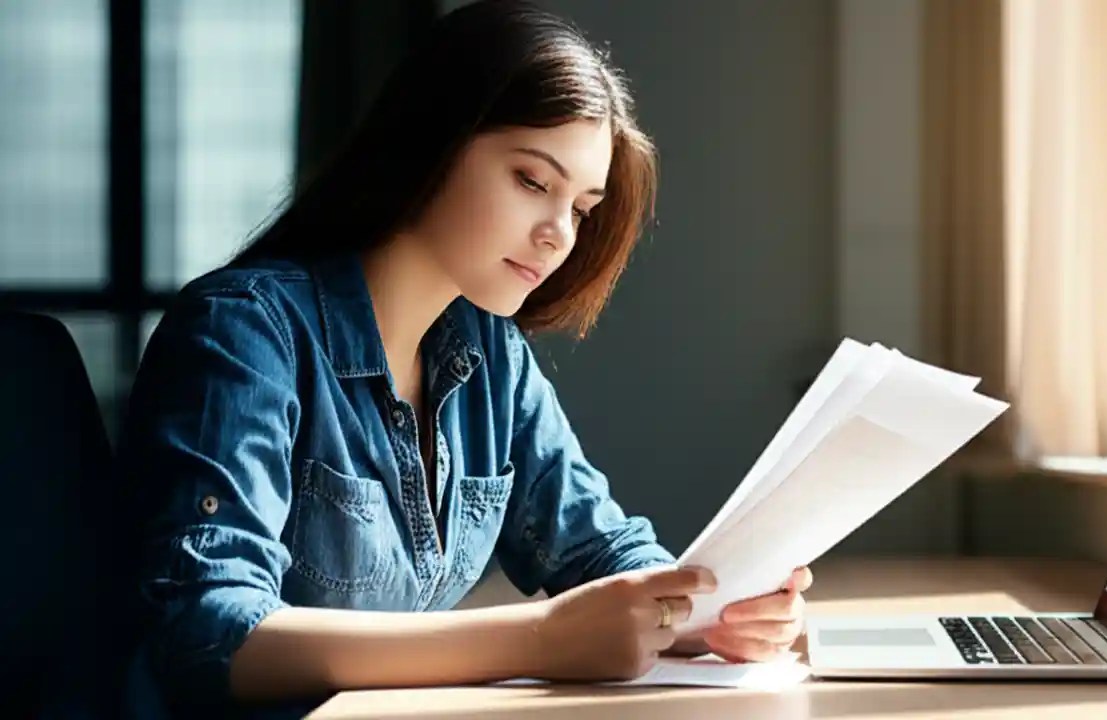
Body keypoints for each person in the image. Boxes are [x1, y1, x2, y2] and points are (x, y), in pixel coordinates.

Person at [116, 1, 811, 716]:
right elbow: (206, 634)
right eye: (534, 182)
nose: (558, 236)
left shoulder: (487, 351)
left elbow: (600, 551)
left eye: (581, 208)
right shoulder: (246, 331)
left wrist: (706, 615)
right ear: (434, 142)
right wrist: (538, 639)